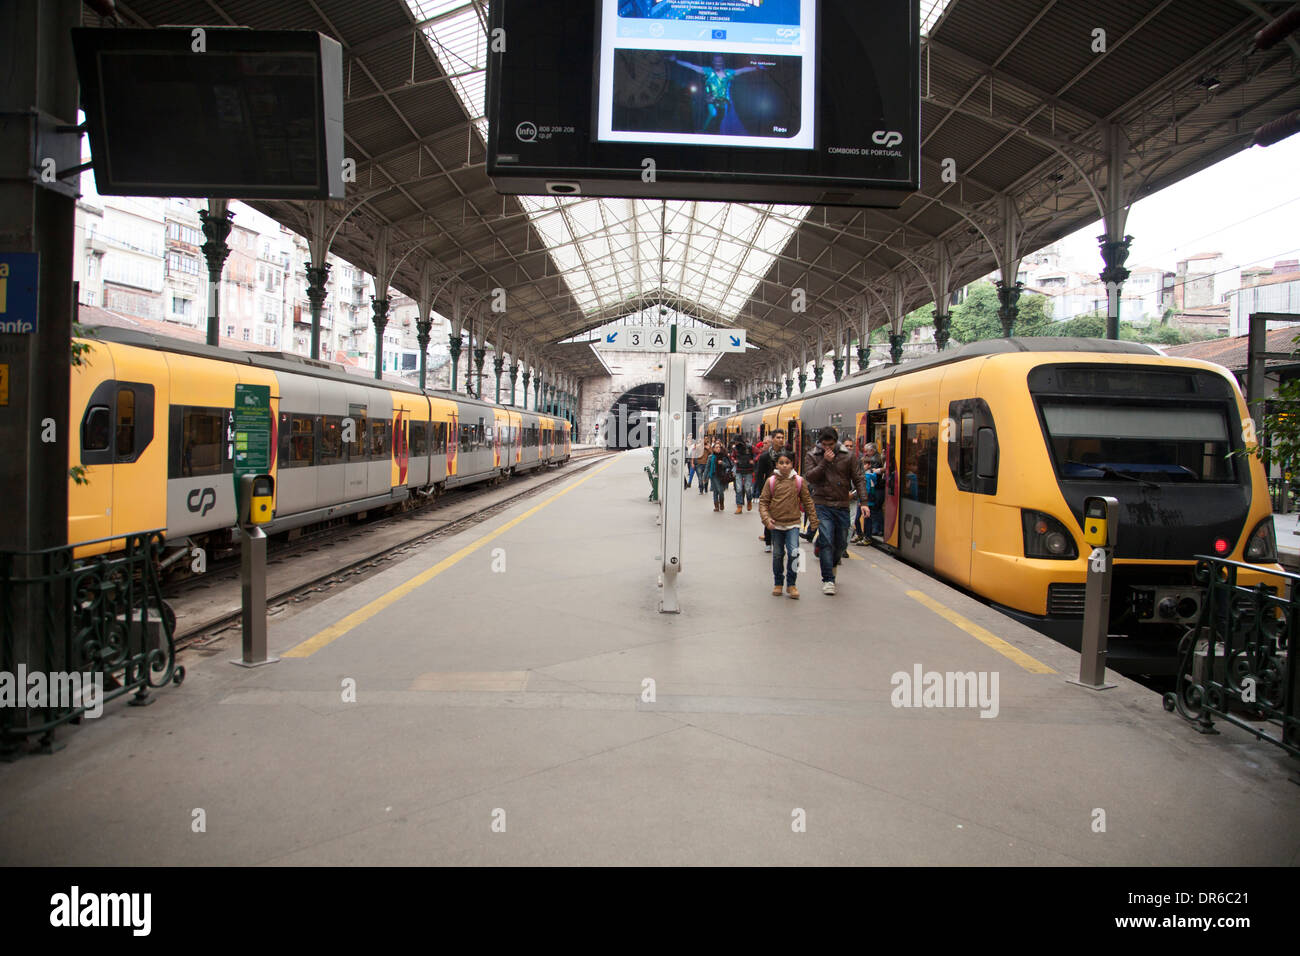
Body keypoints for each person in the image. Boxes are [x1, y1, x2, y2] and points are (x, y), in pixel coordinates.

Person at [804, 426, 868, 595]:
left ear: (836, 441)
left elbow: (859, 478)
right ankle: (828, 580)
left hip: (842, 504)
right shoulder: (813, 455)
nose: (828, 448)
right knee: (826, 540)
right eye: (825, 445)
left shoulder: (848, 456)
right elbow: (810, 477)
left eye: (831, 444)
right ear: (820, 443)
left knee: (841, 542)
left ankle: (832, 565)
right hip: (822, 503)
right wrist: (825, 461)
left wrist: (864, 502)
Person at [759, 452, 818, 599]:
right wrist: (767, 520)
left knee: (794, 553)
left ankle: (792, 584)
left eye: (787, 462)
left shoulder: (799, 481)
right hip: (776, 525)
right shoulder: (771, 482)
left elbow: (808, 501)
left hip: (793, 524)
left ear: (792, 464)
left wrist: (814, 521)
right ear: (776, 464)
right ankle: (778, 583)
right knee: (778, 555)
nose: (784, 465)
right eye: (781, 462)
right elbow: (763, 502)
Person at [753, 429, 786, 552]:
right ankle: (768, 539)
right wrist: (761, 492)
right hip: (770, 490)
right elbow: (759, 474)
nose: (780, 440)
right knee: (770, 515)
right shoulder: (765, 456)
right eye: (778, 437)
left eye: (782, 437)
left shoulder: (788, 455)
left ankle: (780, 540)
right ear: (772, 439)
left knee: (782, 516)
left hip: (785, 489)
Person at [732, 435, 756, 514]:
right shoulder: (735, 449)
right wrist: (734, 460)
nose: (735, 443)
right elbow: (732, 456)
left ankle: (749, 501)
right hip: (739, 470)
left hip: (748, 470)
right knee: (738, 488)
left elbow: (758, 453)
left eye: (736, 441)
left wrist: (754, 460)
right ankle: (739, 506)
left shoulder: (750, 447)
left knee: (747, 488)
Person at [707, 440, 732, 511]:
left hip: (721, 475)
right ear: (713, 449)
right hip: (713, 476)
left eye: (719, 447)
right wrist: (705, 477)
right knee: (715, 491)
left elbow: (729, 465)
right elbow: (707, 467)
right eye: (716, 447)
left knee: (721, 491)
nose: (718, 449)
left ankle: (721, 503)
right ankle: (716, 506)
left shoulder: (724, 456)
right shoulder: (711, 457)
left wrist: (722, 463)